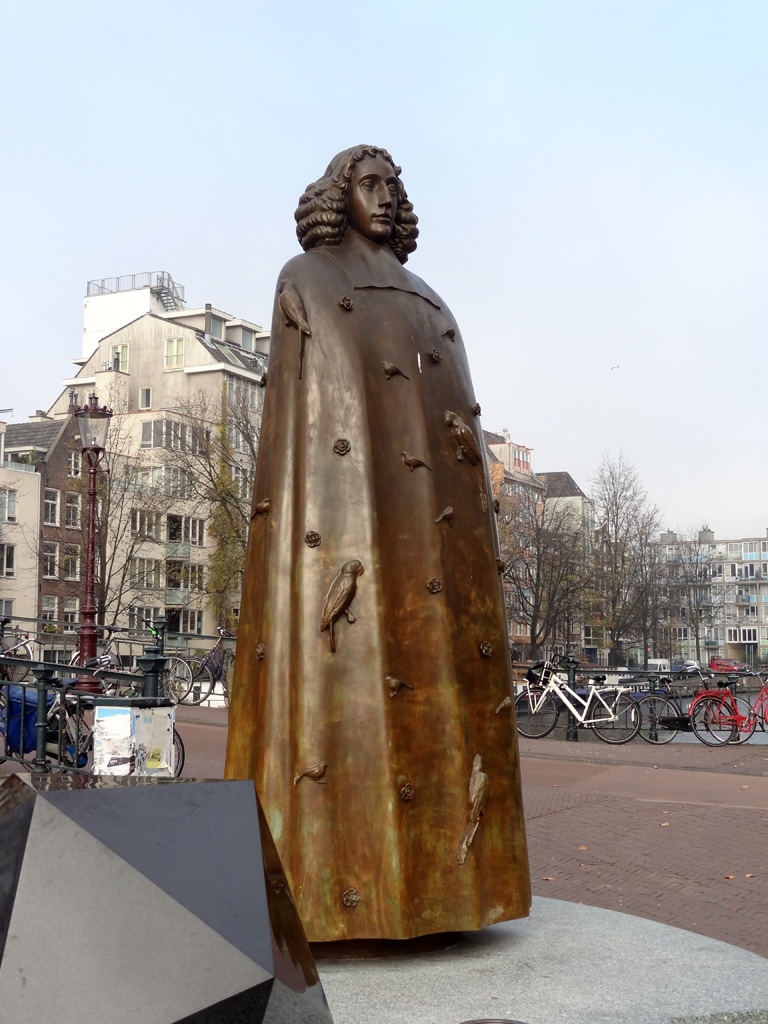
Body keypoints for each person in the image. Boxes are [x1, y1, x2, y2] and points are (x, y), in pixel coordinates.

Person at [225, 145, 530, 942]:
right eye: (370, 183)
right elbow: (305, 416)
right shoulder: (306, 278)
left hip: (432, 532)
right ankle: (335, 891)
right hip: (340, 517)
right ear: (338, 195)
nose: (387, 196)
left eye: (394, 184)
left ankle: (450, 889)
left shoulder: (429, 297)